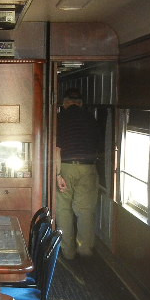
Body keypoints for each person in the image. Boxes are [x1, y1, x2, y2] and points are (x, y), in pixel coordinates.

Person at [54, 86, 101, 261]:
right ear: (80, 104)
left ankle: (68, 252)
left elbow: (57, 150)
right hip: (88, 167)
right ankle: (85, 251)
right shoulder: (91, 118)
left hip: (65, 166)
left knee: (64, 209)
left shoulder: (60, 118)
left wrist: (58, 175)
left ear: (64, 103)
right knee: (85, 211)